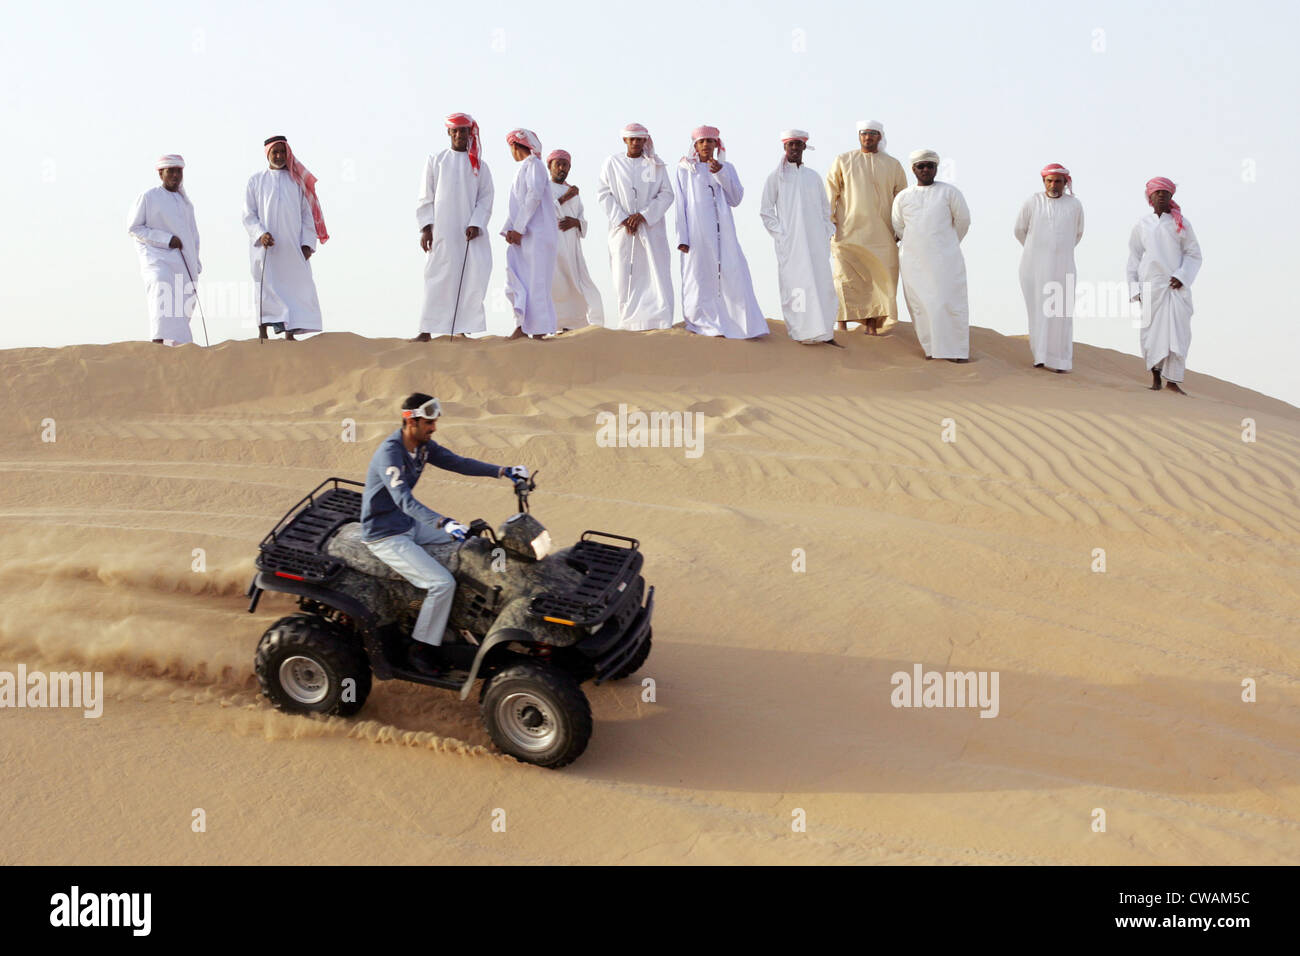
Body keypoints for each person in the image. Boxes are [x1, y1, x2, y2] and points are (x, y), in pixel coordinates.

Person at [361, 394, 529, 675]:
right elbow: (404, 500)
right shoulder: (390, 453)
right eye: (428, 423)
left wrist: (503, 471)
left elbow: (458, 462)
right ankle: (421, 649)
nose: (433, 428)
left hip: (406, 524)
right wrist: (443, 522)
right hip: (385, 535)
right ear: (410, 421)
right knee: (441, 583)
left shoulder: (422, 447)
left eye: (434, 422)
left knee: (473, 545)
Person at [674, 126, 768, 339]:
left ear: (717, 145)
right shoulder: (685, 170)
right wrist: (682, 237)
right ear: (695, 146)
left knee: (732, 273)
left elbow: (736, 198)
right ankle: (700, 322)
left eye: (710, 141)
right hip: (697, 234)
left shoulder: (727, 167)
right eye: (702, 142)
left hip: (724, 233)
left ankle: (737, 323)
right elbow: (681, 205)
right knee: (697, 276)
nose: (706, 145)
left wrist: (721, 173)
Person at [414, 113, 495, 341]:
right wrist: (426, 227)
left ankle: (462, 328)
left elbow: (486, 198)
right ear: (449, 132)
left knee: (470, 277)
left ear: (471, 133)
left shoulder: (480, 166)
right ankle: (426, 329)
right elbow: (425, 196)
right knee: (435, 275)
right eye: (456, 131)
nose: (460, 135)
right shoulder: (435, 160)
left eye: (464, 131)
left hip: (469, 233)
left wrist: (476, 223)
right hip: (441, 231)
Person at [826, 120, 909, 335]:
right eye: (864, 133)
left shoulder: (893, 165)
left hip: (882, 233)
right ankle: (842, 325)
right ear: (859, 136)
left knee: (879, 278)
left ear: (880, 137)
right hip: (847, 230)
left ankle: (872, 326)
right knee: (845, 277)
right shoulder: (843, 160)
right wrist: (828, 221)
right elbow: (830, 192)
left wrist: (900, 229)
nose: (867, 137)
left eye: (872, 134)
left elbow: (902, 199)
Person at [758, 130, 838, 345]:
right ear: (785, 148)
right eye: (790, 144)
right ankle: (800, 331)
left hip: (815, 243)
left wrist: (826, 231)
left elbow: (824, 209)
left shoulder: (813, 177)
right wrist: (782, 234)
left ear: (804, 147)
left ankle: (825, 333)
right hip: (790, 244)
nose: (794, 148)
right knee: (796, 288)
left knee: (821, 284)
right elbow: (766, 211)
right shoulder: (776, 178)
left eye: (798, 144)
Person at [243, 135, 326, 341]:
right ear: (268, 154)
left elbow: (308, 215)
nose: (279, 156)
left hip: (292, 247)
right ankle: (262, 331)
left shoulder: (296, 182)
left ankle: (290, 333)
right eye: (275, 152)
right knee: (265, 287)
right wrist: (260, 234)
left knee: (295, 289)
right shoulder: (255, 181)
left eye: (282, 152)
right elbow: (248, 214)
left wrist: (308, 244)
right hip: (266, 247)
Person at [891, 149, 972, 361]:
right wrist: (917, 245)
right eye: (921, 166)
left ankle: (955, 351)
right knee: (921, 305)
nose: (925, 169)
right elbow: (899, 226)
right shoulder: (903, 197)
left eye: (930, 166)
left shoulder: (950, 192)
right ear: (913, 169)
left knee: (947, 301)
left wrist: (948, 243)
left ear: (936, 168)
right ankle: (931, 350)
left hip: (946, 259)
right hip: (913, 260)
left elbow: (963, 221)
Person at [1127, 177, 1202, 395]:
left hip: (1175, 287)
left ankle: (1174, 382)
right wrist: (1135, 288)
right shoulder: (1142, 225)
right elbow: (1134, 258)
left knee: (1178, 334)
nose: (1161, 195)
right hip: (1151, 287)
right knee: (1152, 334)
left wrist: (1183, 275)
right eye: (1157, 192)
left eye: (1165, 193)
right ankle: (1156, 378)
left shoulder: (1182, 223)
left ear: (1171, 197)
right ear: (1149, 197)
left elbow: (1194, 254)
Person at [597, 123, 675, 330]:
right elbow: (603, 193)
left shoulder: (654, 165)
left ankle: (657, 321)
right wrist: (622, 218)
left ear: (645, 141)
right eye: (632, 139)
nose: (636, 143)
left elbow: (667, 194)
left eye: (640, 139)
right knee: (622, 275)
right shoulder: (612, 163)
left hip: (650, 228)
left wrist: (644, 215)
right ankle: (627, 322)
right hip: (621, 230)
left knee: (654, 273)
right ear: (625, 140)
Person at [1014, 163, 1085, 372]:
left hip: (1063, 266)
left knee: (1061, 311)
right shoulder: (1033, 202)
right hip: (1034, 267)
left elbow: (1078, 233)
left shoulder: (1075, 205)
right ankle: (1040, 356)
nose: (1054, 185)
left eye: (1058, 181)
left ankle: (1061, 360)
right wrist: (1036, 250)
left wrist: (1059, 251)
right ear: (1044, 181)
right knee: (1038, 310)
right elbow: (1019, 230)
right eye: (1049, 181)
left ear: (1065, 183)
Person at [127, 154, 201, 345]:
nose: (175, 175)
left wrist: (197, 262)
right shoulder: (148, 197)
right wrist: (167, 239)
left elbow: (194, 236)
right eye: (171, 171)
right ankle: (158, 341)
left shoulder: (185, 203)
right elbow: (134, 228)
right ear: (161, 173)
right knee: (161, 289)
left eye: (179, 171)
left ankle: (179, 345)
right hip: (157, 259)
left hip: (184, 263)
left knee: (182, 304)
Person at [500, 129, 559, 339]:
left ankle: (538, 330)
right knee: (520, 280)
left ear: (515, 146)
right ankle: (524, 325)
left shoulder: (535, 166)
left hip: (538, 236)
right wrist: (510, 229)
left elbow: (533, 197)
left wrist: (518, 228)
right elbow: (518, 205)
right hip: (524, 236)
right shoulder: (525, 168)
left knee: (536, 282)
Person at [547, 149, 604, 329]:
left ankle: (577, 324)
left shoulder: (574, 192)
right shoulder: (543, 188)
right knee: (557, 286)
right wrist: (565, 197)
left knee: (581, 285)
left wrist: (576, 222)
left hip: (572, 246)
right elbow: (545, 212)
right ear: (550, 166)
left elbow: (582, 219)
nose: (562, 168)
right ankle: (553, 324)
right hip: (553, 244)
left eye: (565, 165)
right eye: (558, 164)